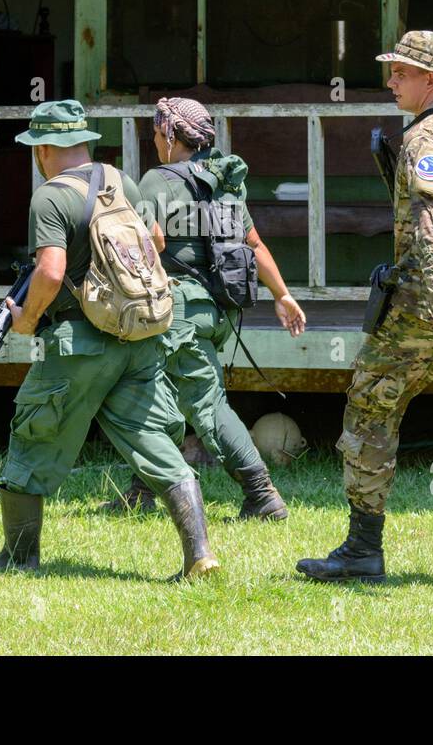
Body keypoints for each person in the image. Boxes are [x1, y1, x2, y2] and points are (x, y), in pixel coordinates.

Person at [296, 30, 433, 585]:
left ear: (431, 79)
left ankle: (362, 549)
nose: (390, 81)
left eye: (400, 72)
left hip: (424, 311)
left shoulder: (425, 139)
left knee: (369, 413)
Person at [0, 99, 220, 581]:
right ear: (83, 142)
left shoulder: (49, 197)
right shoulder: (118, 179)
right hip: (137, 338)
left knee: (34, 434)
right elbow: (156, 243)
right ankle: (199, 554)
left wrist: (27, 319)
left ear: (43, 148)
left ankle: (19, 557)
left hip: (80, 346)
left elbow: (51, 269)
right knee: (154, 440)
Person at [102, 97, 306, 520]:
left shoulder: (157, 181)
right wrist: (282, 295)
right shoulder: (224, 180)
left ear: (172, 135)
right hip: (220, 311)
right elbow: (254, 245)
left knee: (207, 405)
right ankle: (142, 490)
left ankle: (262, 495)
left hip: (179, 313)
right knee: (157, 394)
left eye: (157, 134)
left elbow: (153, 242)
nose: (155, 142)